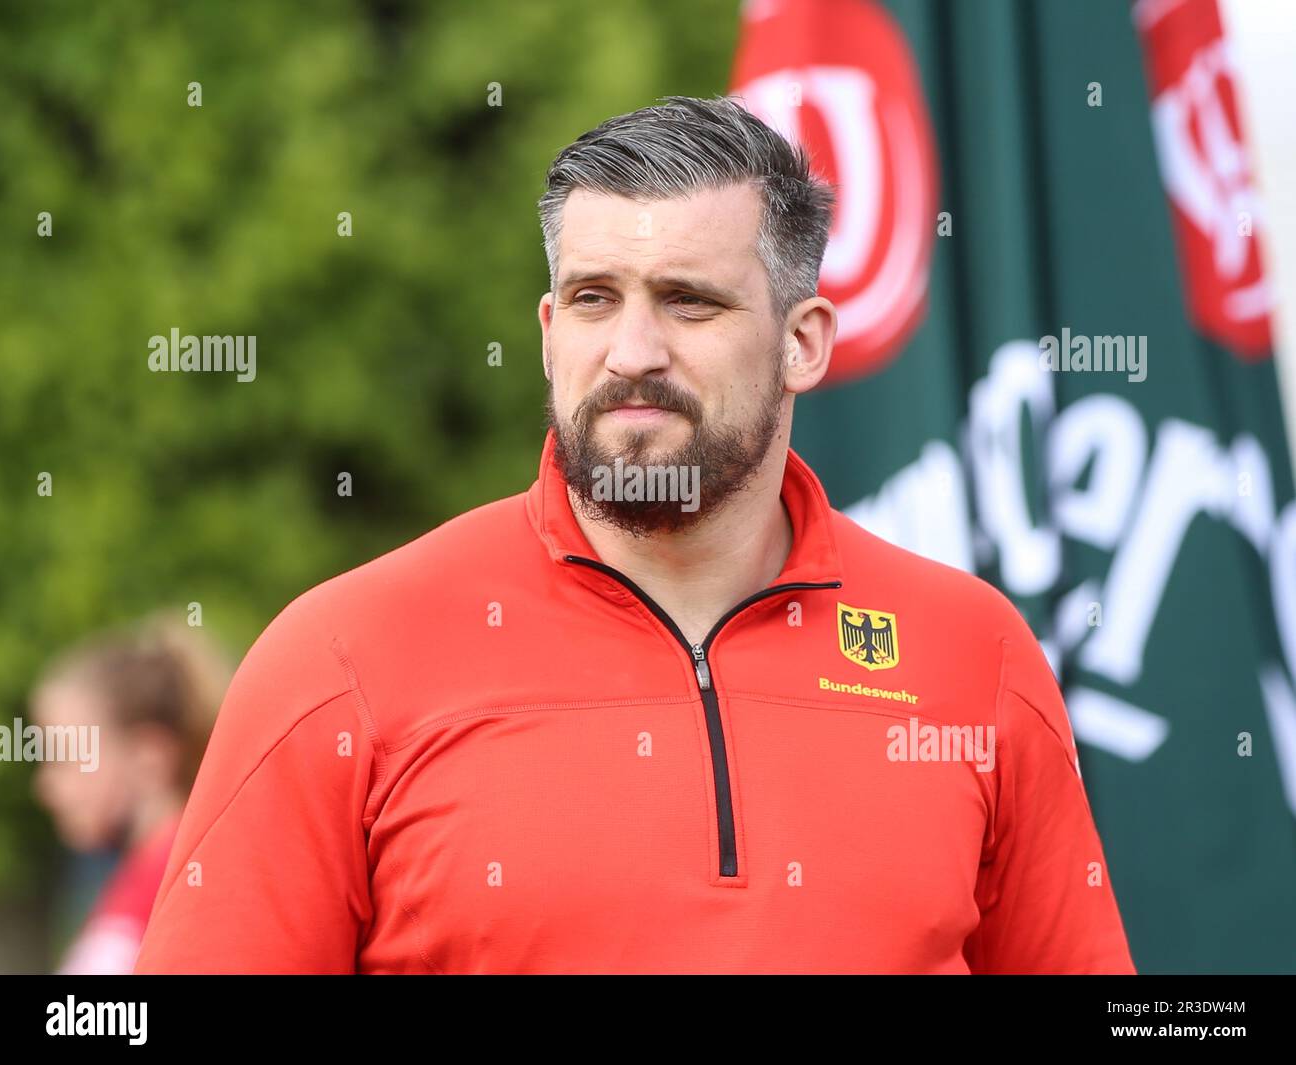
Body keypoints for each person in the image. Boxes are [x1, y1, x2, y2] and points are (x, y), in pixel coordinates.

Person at [136, 95, 1136, 974]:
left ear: (802, 342)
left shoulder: (974, 652)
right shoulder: (339, 658)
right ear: (547, 330)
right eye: (593, 299)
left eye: (688, 302)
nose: (631, 353)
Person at [30, 613, 230, 974]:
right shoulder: (155, 876)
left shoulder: (178, 890)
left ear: (147, 757)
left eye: (62, 756)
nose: (46, 786)